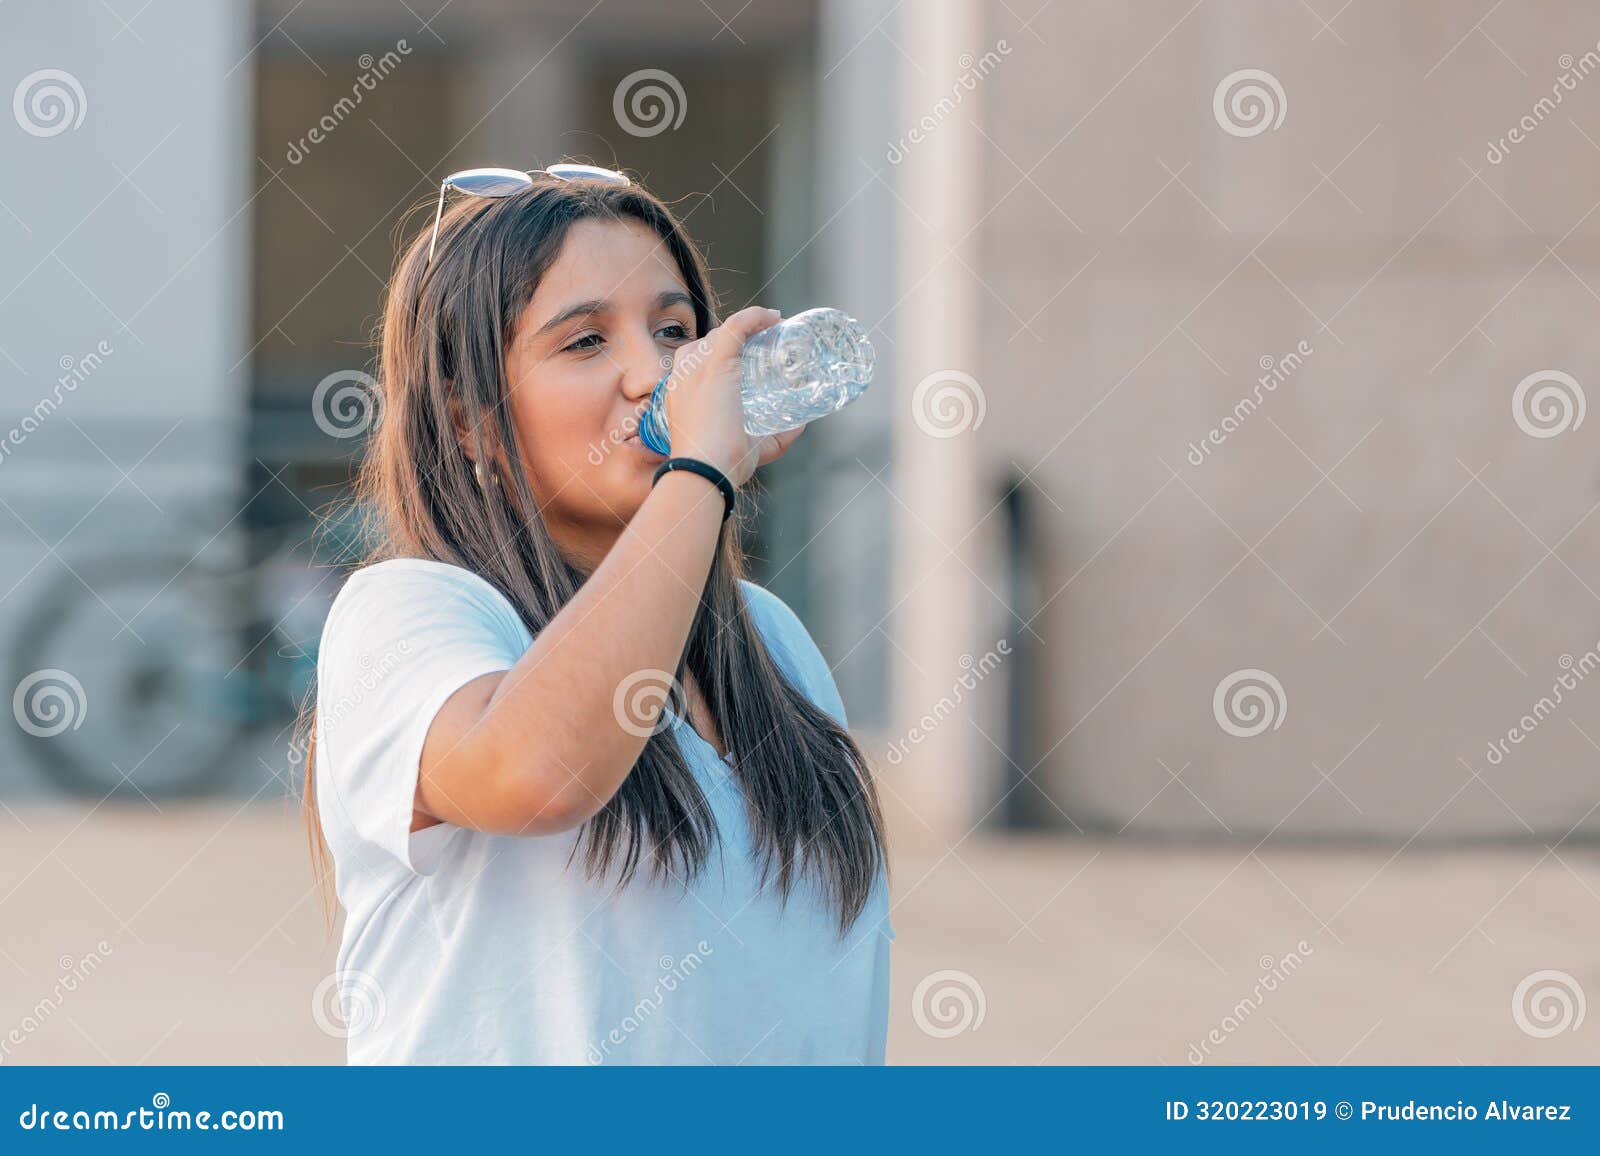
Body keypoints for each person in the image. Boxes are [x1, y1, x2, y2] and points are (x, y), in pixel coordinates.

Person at [296, 163, 894, 1064]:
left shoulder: (771, 638)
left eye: (674, 331)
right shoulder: (409, 611)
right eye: (585, 342)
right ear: (469, 420)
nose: (656, 373)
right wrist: (699, 474)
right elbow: (536, 776)